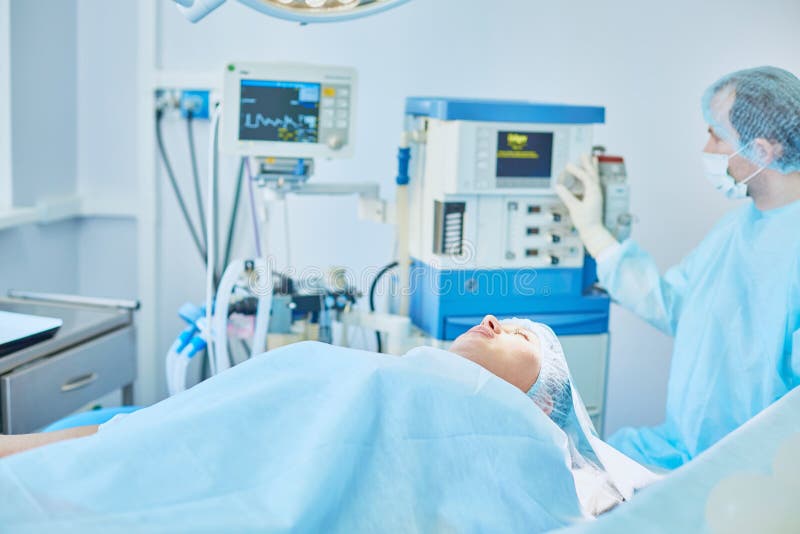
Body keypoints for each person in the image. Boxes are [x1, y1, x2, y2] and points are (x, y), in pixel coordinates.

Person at [0, 315, 655, 530]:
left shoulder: (511, 435)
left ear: (542, 395)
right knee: (155, 435)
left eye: (517, 336)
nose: (492, 321)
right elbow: (214, 425)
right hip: (219, 440)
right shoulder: (391, 376)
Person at [556, 65, 800, 470]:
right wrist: (596, 234)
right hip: (682, 451)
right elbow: (676, 305)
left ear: (763, 149)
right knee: (574, 465)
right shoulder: (736, 229)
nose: (707, 146)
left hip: (754, 475)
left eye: (716, 135)